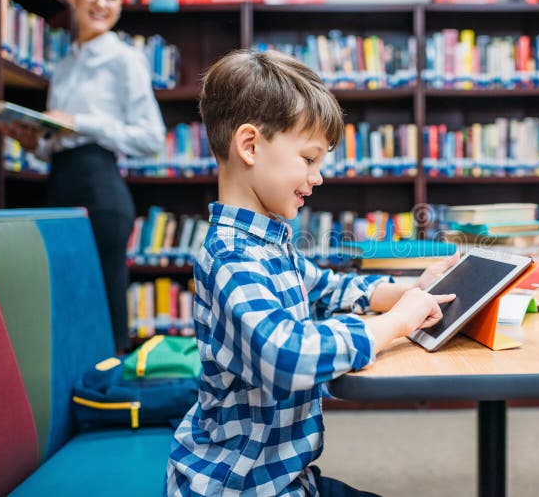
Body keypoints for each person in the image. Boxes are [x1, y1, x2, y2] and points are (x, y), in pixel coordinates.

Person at [165, 49, 458, 496]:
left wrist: (409, 290)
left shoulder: (267, 242)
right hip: (241, 486)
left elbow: (328, 288)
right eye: (308, 158)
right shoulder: (232, 257)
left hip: (281, 476)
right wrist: (396, 324)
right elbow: (287, 354)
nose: (318, 177)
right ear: (249, 146)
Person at [3, 0, 165, 351]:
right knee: (67, 306)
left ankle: (111, 386)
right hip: (60, 186)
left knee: (106, 312)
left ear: (121, 4)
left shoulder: (126, 60)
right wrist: (33, 143)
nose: (101, 3)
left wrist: (80, 122)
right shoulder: (63, 67)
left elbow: (151, 137)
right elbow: (58, 144)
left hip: (101, 193)